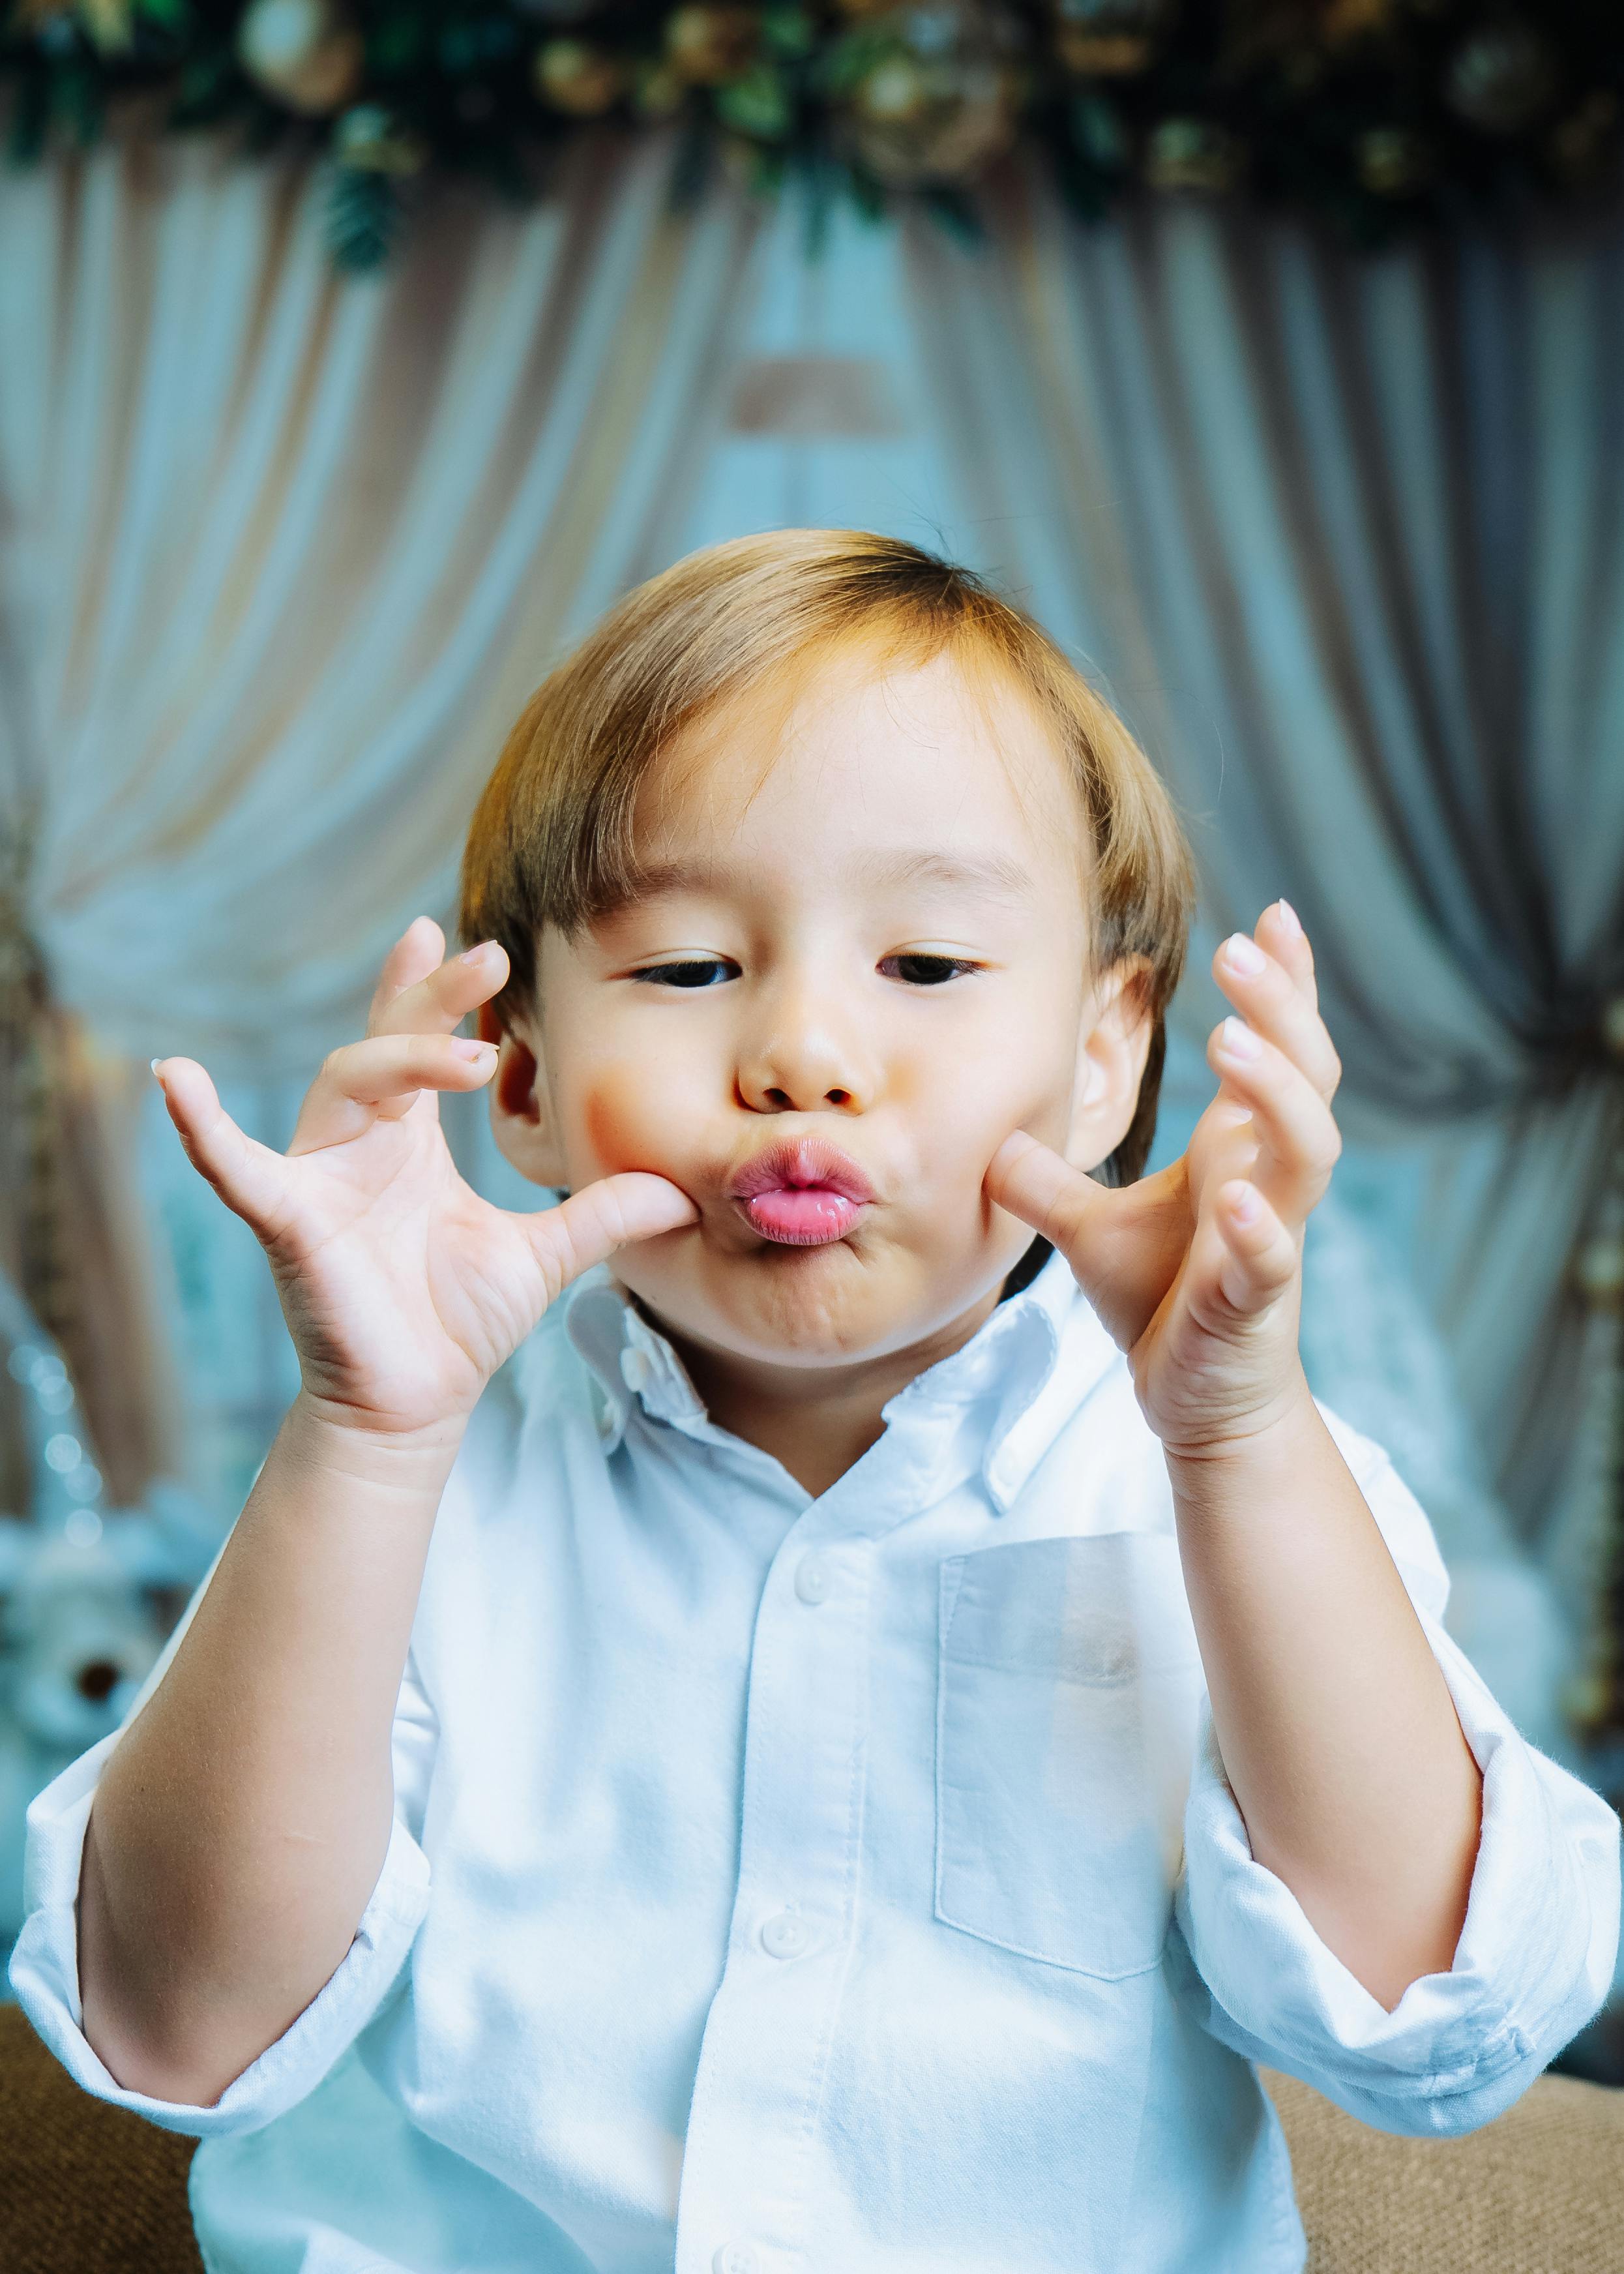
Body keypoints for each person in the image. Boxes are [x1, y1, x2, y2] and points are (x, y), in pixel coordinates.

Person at [10, 530, 1619, 2274]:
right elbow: (173, 2033)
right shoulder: (410, 1494)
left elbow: (1428, 2023)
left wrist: (1234, 1434)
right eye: (689, 969)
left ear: (1101, 1061)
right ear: (524, 1080)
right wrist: (365, 1435)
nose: (800, 1054)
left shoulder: (1238, 1483)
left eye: (925, 968)